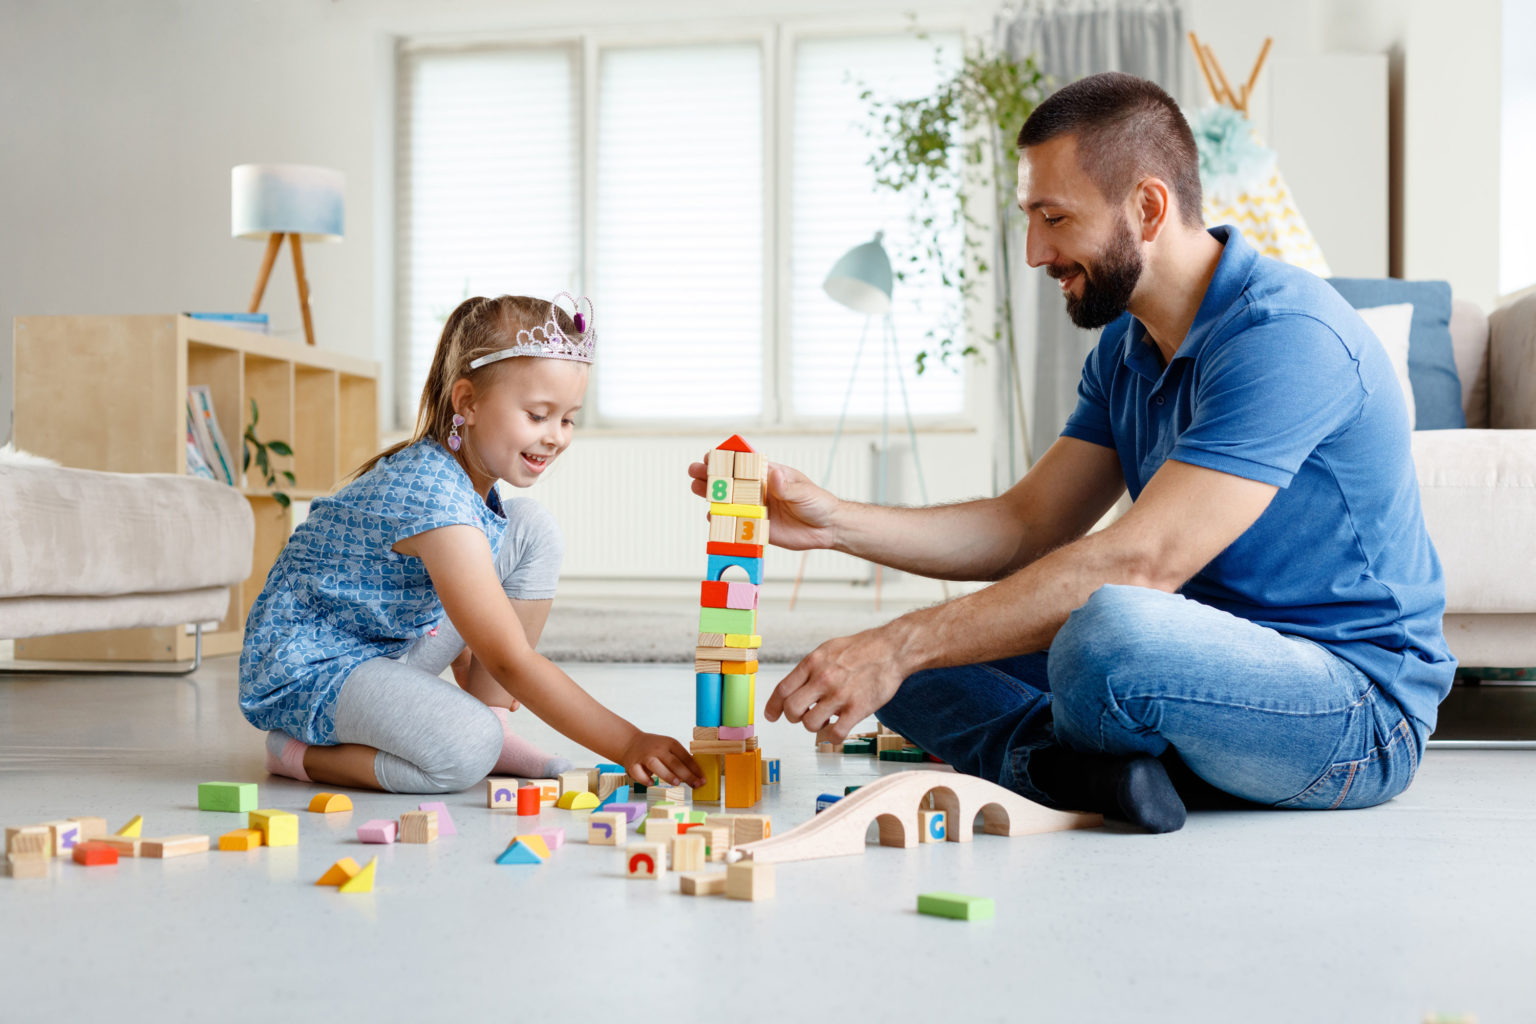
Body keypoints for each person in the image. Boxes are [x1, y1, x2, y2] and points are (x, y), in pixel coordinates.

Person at [693, 72, 1454, 833]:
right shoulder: (1128, 344)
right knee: (918, 666)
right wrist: (834, 523)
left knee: (1103, 637)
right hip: (1187, 654)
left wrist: (897, 645)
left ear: (1148, 208)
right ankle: (1081, 771)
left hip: (1353, 708)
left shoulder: (1287, 338)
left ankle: (1065, 763)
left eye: (1054, 218)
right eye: (1030, 219)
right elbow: (1026, 524)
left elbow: (1139, 563)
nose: (1034, 252)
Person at [242, 293, 703, 794]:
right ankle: (297, 754)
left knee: (532, 530)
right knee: (463, 751)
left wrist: (469, 674)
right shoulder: (434, 499)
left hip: (385, 643)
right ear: (468, 403)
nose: (556, 437)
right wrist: (629, 742)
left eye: (567, 419)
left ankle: (494, 723)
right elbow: (508, 658)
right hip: (311, 667)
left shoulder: (466, 483)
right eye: (537, 415)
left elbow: (458, 610)